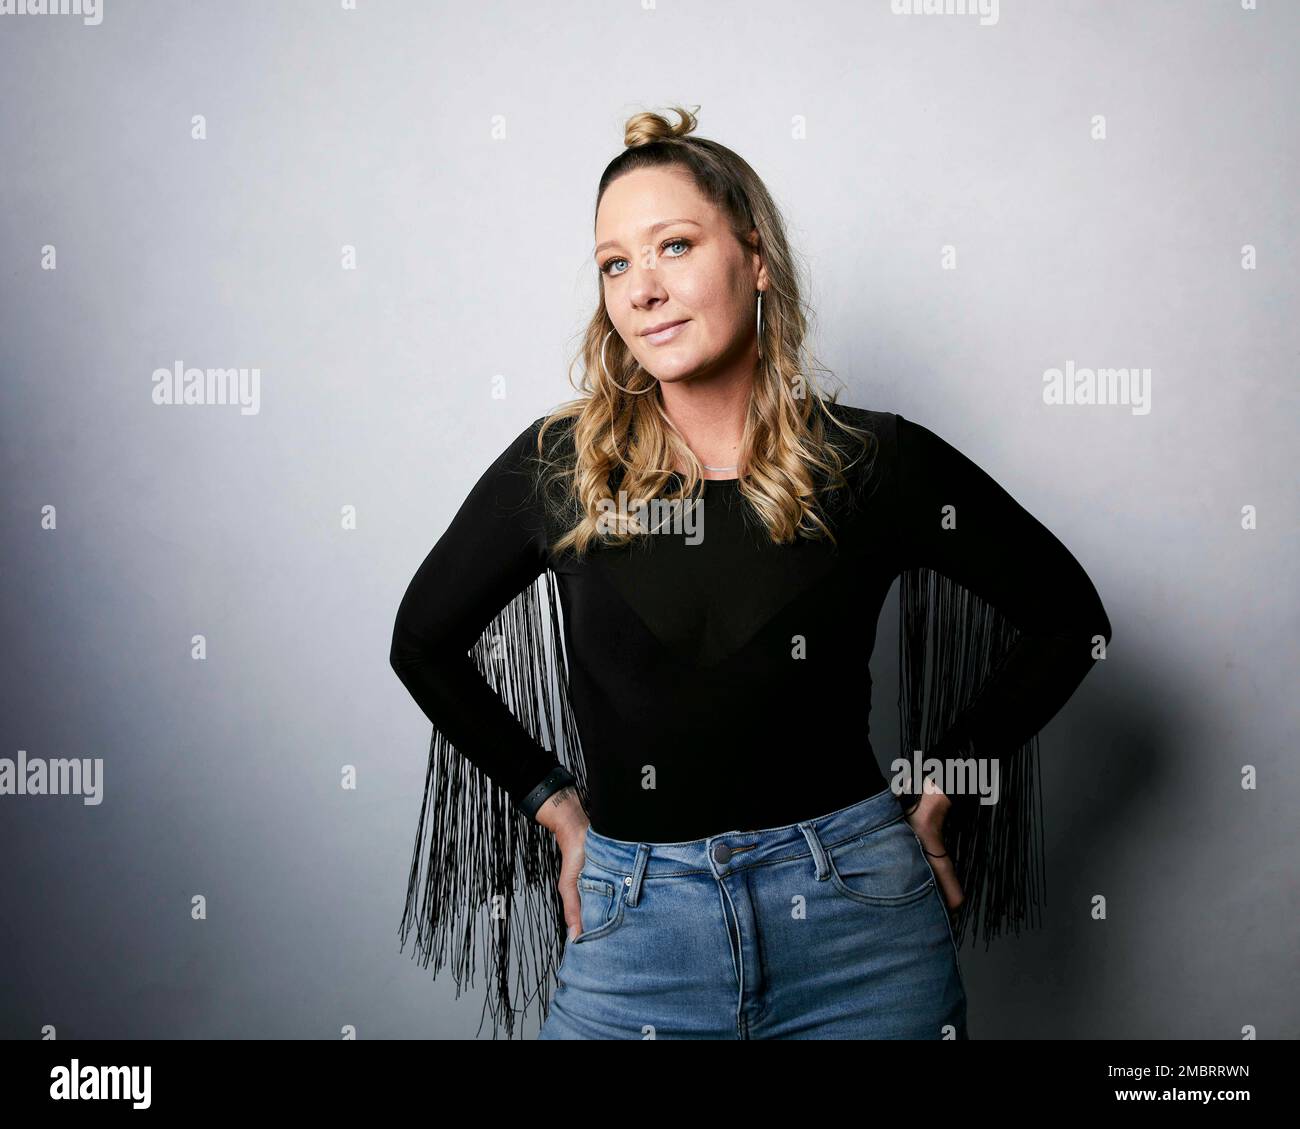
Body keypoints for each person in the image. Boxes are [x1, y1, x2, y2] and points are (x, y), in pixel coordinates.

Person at [389, 106, 1112, 1040]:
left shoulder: (874, 462)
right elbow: (423, 643)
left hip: (860, 929)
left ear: (757, 258)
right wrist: (557, 809)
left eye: (675, 245)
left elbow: (1068, 619)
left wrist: (941, 794)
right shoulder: (560, 467)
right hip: (634, 935)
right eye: (616, 263)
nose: (642, 289)